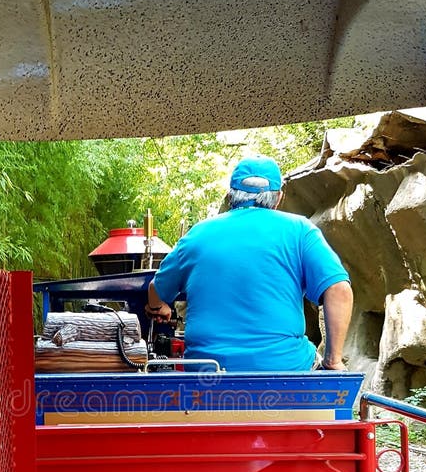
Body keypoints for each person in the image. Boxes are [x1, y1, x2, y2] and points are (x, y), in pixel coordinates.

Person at [145, 156, 352, 371]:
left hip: (208, 373)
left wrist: (158, 307)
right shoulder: (300, 230)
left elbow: (155, 289)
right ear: (279, 197)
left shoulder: (197, 234)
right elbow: (338, 288)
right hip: (284, 370)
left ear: (231, 195)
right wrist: (333, 361)